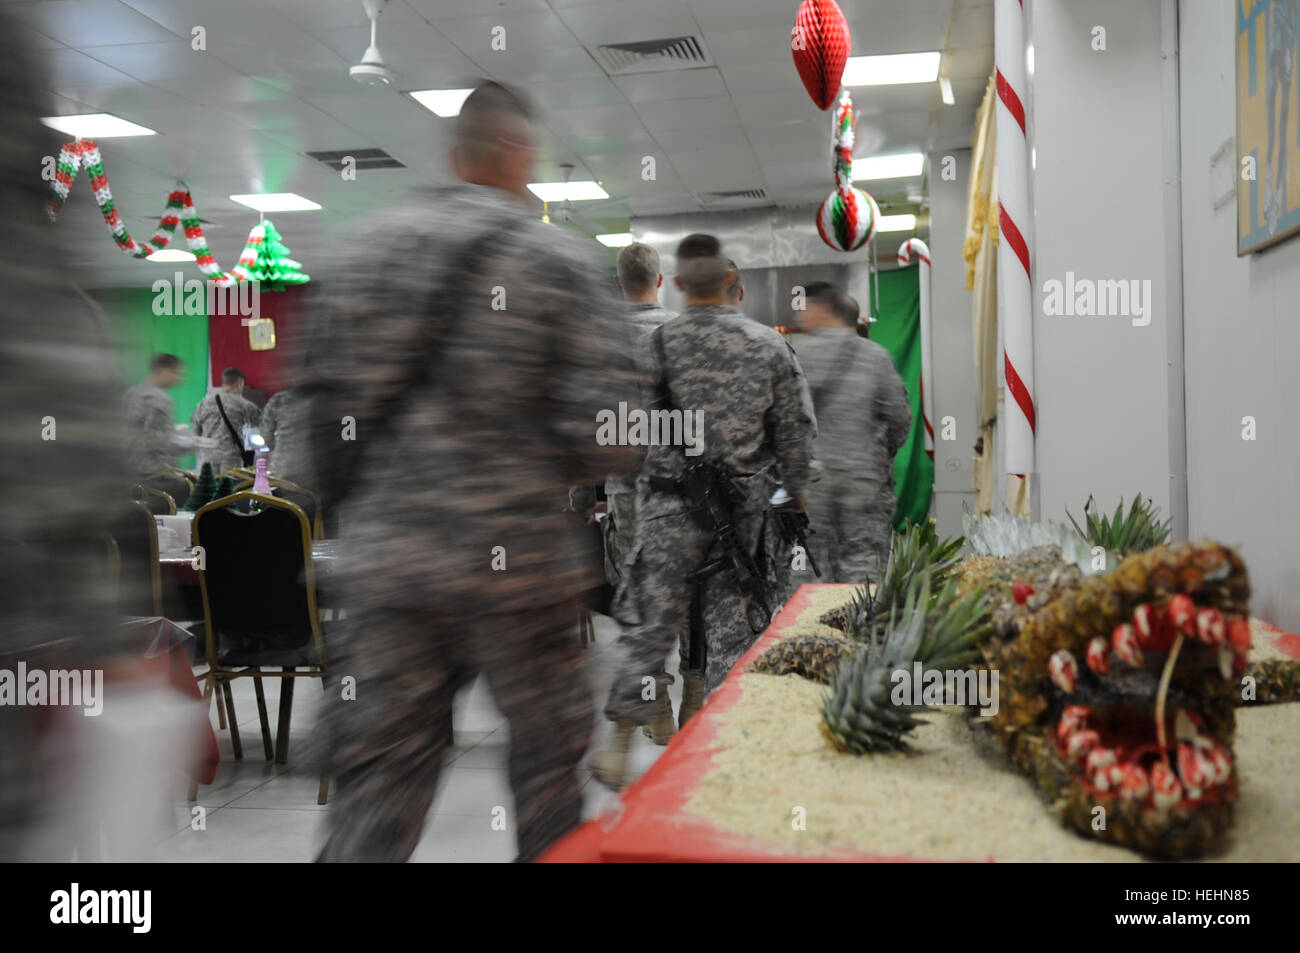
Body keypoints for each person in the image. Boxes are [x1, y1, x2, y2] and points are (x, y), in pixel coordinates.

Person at [299, 80, 644, 862]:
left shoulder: (361, 254)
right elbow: (611, 439)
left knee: (376, 791)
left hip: (388, 574)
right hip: (520, 576)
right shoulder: (559, 261)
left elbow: (320, 426)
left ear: (455, 153)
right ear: (518, 153)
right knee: (550, 792)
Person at [593, 233, 816, 788]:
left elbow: (618, 439)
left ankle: (621, 738)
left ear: (680, 284)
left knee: (646, 627)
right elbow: (798, 443)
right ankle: (723, 753)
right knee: (734, 636)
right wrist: (795, 503)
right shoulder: (767, 345)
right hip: (743, 518)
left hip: (667, 511)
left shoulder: (652, 349)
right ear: (729, 284)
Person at [793, 282, 911, 584]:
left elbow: (780, 421)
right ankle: (861, 628)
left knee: (808, 564)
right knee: (862, 561)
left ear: (822, 308)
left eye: (803, 309)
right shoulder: (875, 356)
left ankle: (812, 630)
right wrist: (878, 456)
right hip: (862, 483)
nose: (799, 317)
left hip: (810, 484)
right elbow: (899, 418)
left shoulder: (795, 355)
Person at [124, 353, 189, 477]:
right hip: (154, 471)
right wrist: (194, 444)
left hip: (131, 468)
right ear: (163, 370)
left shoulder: (131, 392)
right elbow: (161, 442)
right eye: (177, 373)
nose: (179, 378)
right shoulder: (158, 397)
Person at [190, 367, 261, 474]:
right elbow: (259, 432)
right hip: (231, 461)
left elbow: (195, 431)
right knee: (230, 489)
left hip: (206, 460)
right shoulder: (246, 406)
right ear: (240, 383)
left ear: (223, 383)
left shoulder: (203, 404)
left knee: (208, 490)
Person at [260, 386, 309, 485]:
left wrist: (275, 449)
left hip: (281, 465)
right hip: (311, 468)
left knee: (278, 498)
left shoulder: (279, 399)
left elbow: (265, 432)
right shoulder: (325, 399)